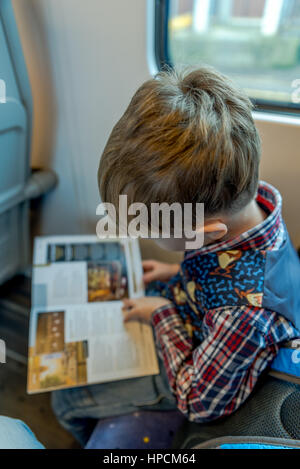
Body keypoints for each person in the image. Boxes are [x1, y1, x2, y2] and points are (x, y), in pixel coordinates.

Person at [52, 66, 300, 446]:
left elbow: (197, 400)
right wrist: (175, 270)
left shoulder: (243, 314)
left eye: (149, 228)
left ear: (204, 234)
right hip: (206, 319)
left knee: (67, 395)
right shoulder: (253, 208)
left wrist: (161, 314)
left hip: (206, 369)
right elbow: (226, 271)